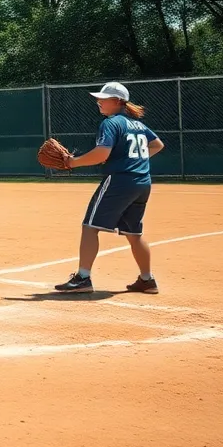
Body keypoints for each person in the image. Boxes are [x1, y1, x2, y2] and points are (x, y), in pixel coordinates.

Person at [54, 82, 165, 294]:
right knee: (134, 233)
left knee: (90, 226)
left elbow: (102, 154)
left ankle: (83, 278)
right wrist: (135, 160)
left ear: (116, 101)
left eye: (103, 99)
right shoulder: (138, 125)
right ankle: (147, 279)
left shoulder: (111, 123)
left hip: (119, 181)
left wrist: (72, 162)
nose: (99, 102)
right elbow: (158, 144)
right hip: (142, 182)